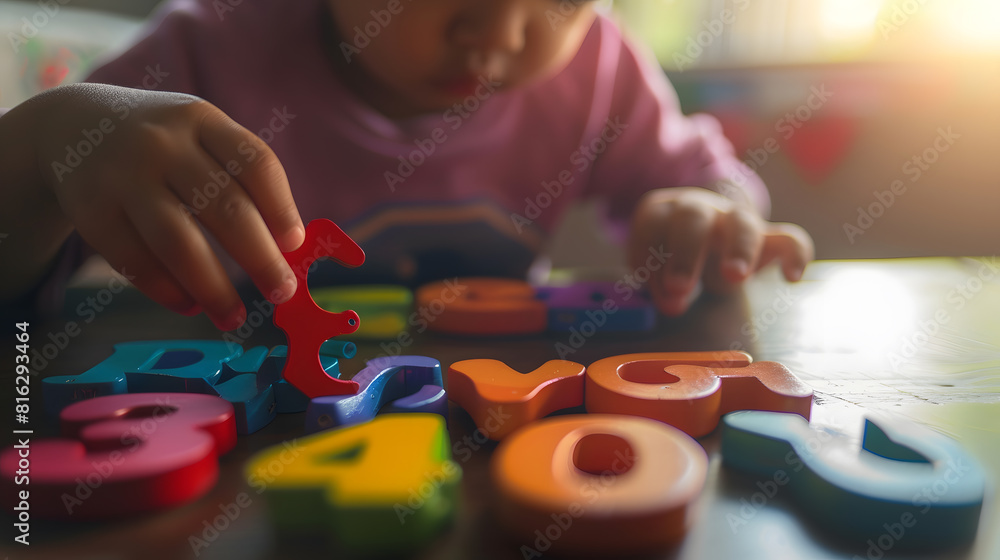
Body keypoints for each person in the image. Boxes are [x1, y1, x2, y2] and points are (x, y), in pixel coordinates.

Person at [0, 0, 812, 331]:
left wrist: (707, 209)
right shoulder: (204, 52)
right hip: (235, 437)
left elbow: (703, 178)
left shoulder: (596, 67)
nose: (496, 38)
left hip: (490, 431)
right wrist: (40, 152)